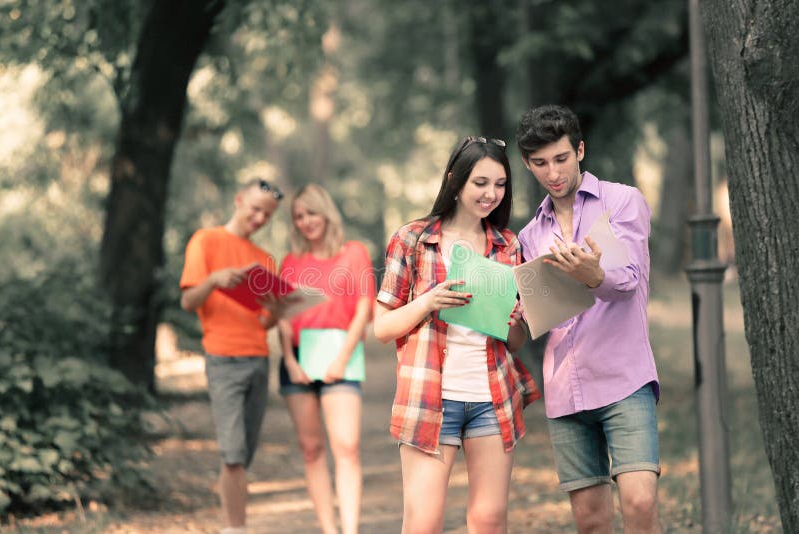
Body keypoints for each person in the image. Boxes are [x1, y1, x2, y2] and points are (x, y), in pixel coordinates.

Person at [373, 136, 540, 533]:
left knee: (488, 519)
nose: (491, 194)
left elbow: (514, 342)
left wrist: (514, 323)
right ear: (455, 180)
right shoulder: (412, 240)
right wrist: (428, 301)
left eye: (500, 184)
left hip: (491, 397)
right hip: (431, 398)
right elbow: (381, 327)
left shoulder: (508, 246)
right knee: (424, 523)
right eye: (480, 183)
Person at [515, 104, 661, 533]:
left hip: (623, 379)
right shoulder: (530, 235)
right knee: (591, 522)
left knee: (639, 504)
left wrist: (592, 274)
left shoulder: (621, 202)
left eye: (561, 158)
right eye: (540, 163)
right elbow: (538, 314)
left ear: (580, 150)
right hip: (566, 388)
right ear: (527, 164)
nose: (553, 172)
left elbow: (629, 281)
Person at [179, 178, 285, 534]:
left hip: (257, 358)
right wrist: (214, 280)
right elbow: (188, 301)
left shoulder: (263, 259)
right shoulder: (205, 240)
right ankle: (234, 528)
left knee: (244, 453)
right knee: (233, 453)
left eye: (267, 215)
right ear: (238, 200)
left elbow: (266, 322)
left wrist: (277, 309)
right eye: (255, 209)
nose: (259, 218)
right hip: (222, 358)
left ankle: (236, 525)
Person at [277, 184, 375, 534]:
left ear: (326, 213)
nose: (306, 221)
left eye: (311, 213)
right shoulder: (290, 262)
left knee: (346, 447)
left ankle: (350, 530)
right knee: (311, 449)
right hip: (299, 360)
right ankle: (328, 530)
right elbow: (282, 317)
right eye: (299, 216)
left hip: (342, 355)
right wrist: (289, 360)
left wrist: (341, 359)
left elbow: (365, 309)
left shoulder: (354, 253)